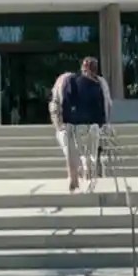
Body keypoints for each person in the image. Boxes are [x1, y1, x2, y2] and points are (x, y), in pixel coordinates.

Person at [49, 57, 112, 192]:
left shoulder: (97, 83)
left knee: (76, 147)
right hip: (80, 124)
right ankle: (79, 177)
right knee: (77, 146)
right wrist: (58, 124)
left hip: (80, 124)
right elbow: (107, 104)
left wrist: (58, 124)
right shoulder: (70, 81)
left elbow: (106, 105)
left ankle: (78, 176)